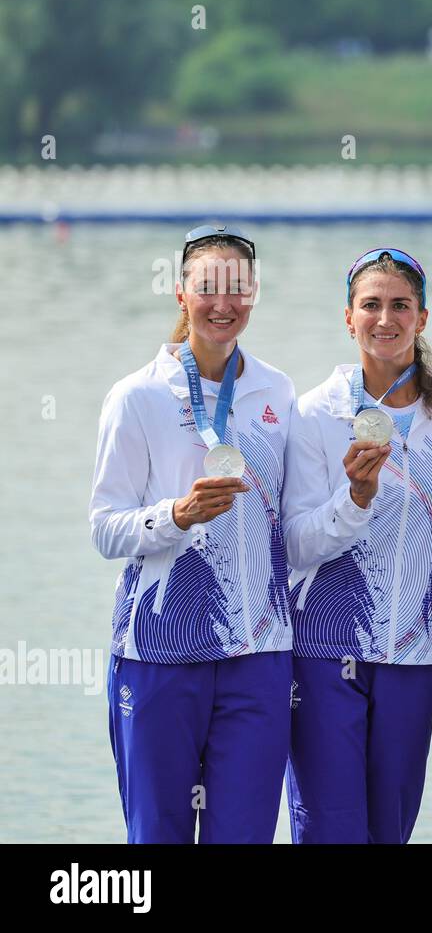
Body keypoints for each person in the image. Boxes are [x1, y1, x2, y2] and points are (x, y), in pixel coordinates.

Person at [90, 224, 295, 843]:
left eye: (237, 289)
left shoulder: (278, 392)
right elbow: (104, 529)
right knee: (158, 836)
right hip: (158, 652)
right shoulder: (137, 397)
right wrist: (174, 516)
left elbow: (292, 523)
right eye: (208, 288)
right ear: (181, 293)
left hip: (257, 652)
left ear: (254, 295)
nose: (223, 304)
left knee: (244, 835)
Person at [280, 248, 432, 843]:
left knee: (391, 828)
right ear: (348, 318)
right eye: (371, 305)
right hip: (324, 652)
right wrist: (354, 499)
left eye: (400, 305)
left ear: (422, 317)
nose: (385, 319)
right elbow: (294, 546)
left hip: (415, 655)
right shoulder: (314, 413)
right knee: (330, 828)